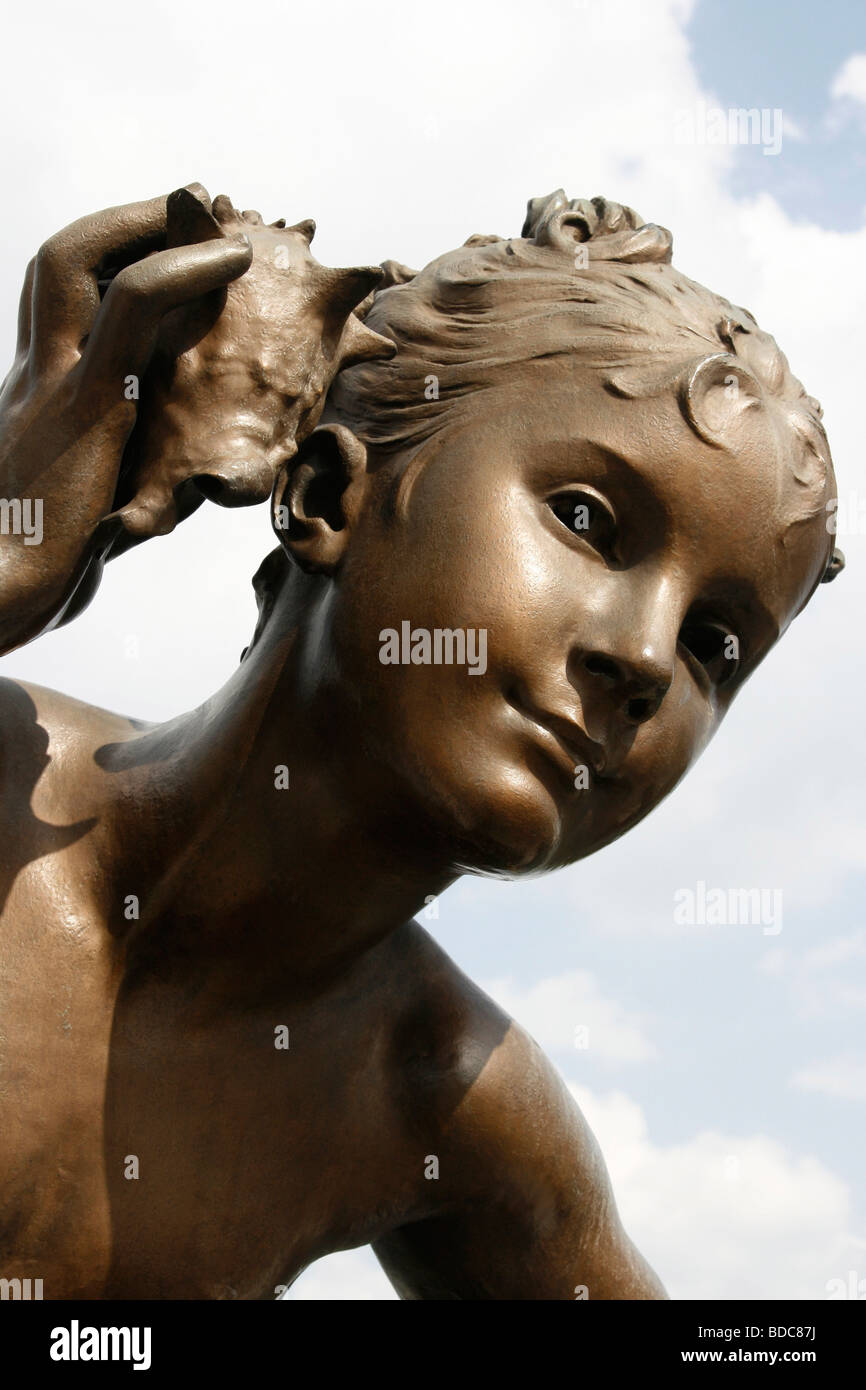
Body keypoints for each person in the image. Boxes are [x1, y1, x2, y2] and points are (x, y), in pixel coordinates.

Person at [0, 186, 841, 1299]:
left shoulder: (439, 1099)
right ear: (325, 493)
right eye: (587, 518)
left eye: (714, 644)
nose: (644, 660)